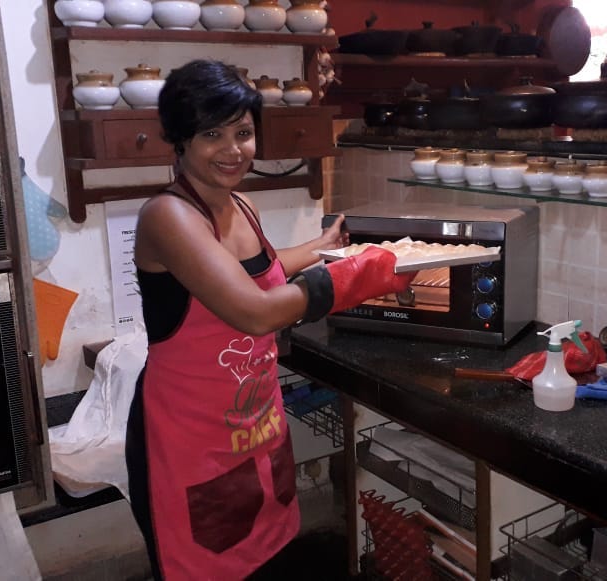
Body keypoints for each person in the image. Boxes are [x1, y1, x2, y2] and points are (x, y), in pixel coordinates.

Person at [124, 59, 415, 581]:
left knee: (268, 563)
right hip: (190, 443)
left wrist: (320, 249)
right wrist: (360, 275)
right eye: (212, 134)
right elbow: (254, 310)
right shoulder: (168, 216)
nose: (233, 150)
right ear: (180, 138)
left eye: (243, 132)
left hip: (256, 433)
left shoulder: (239, 204)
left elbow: (261, 270)